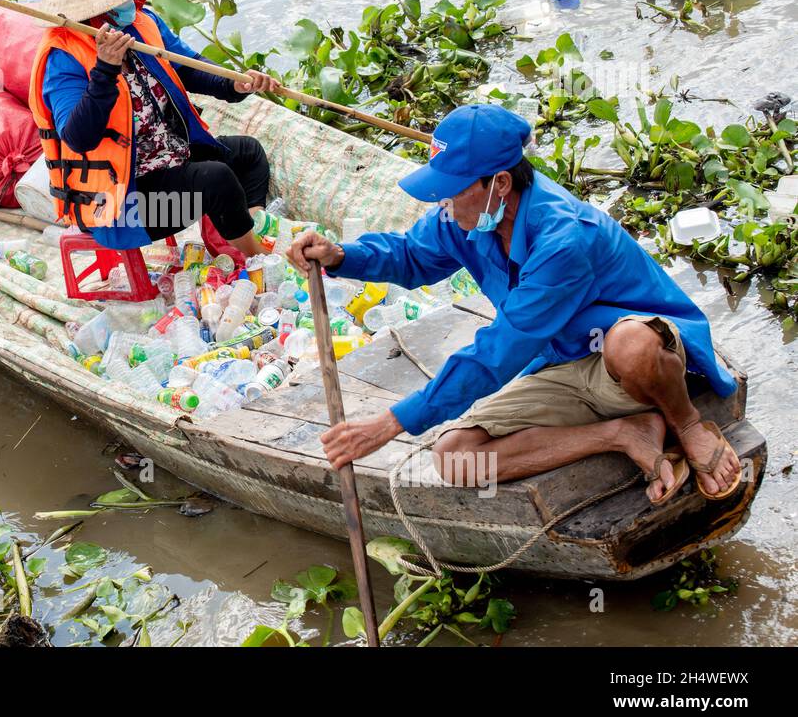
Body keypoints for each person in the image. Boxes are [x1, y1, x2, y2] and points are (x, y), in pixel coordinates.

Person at [288, 103, 743, 505]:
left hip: (633, 362)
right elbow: (411, 256)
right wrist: (341, 256)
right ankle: (621, 434)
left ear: (500, 183)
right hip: (561, 362)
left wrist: (392, 422)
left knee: (631, 345)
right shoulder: (463, 217)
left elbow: (498, 352)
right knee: (456, 461)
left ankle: (686, 424)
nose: (442, 204)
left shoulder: (564, 239)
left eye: (451, 190)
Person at [28, 0, 278, 256]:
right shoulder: (64, 56)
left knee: (248, 153)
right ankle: (257, 259)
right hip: (124, 206)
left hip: (170, 158)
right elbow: (78, 137)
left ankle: (246, 229)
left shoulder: (141, 21)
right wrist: (105, 71)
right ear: (96, 7)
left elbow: (188, 67)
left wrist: (234, 84)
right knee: (217, 180)